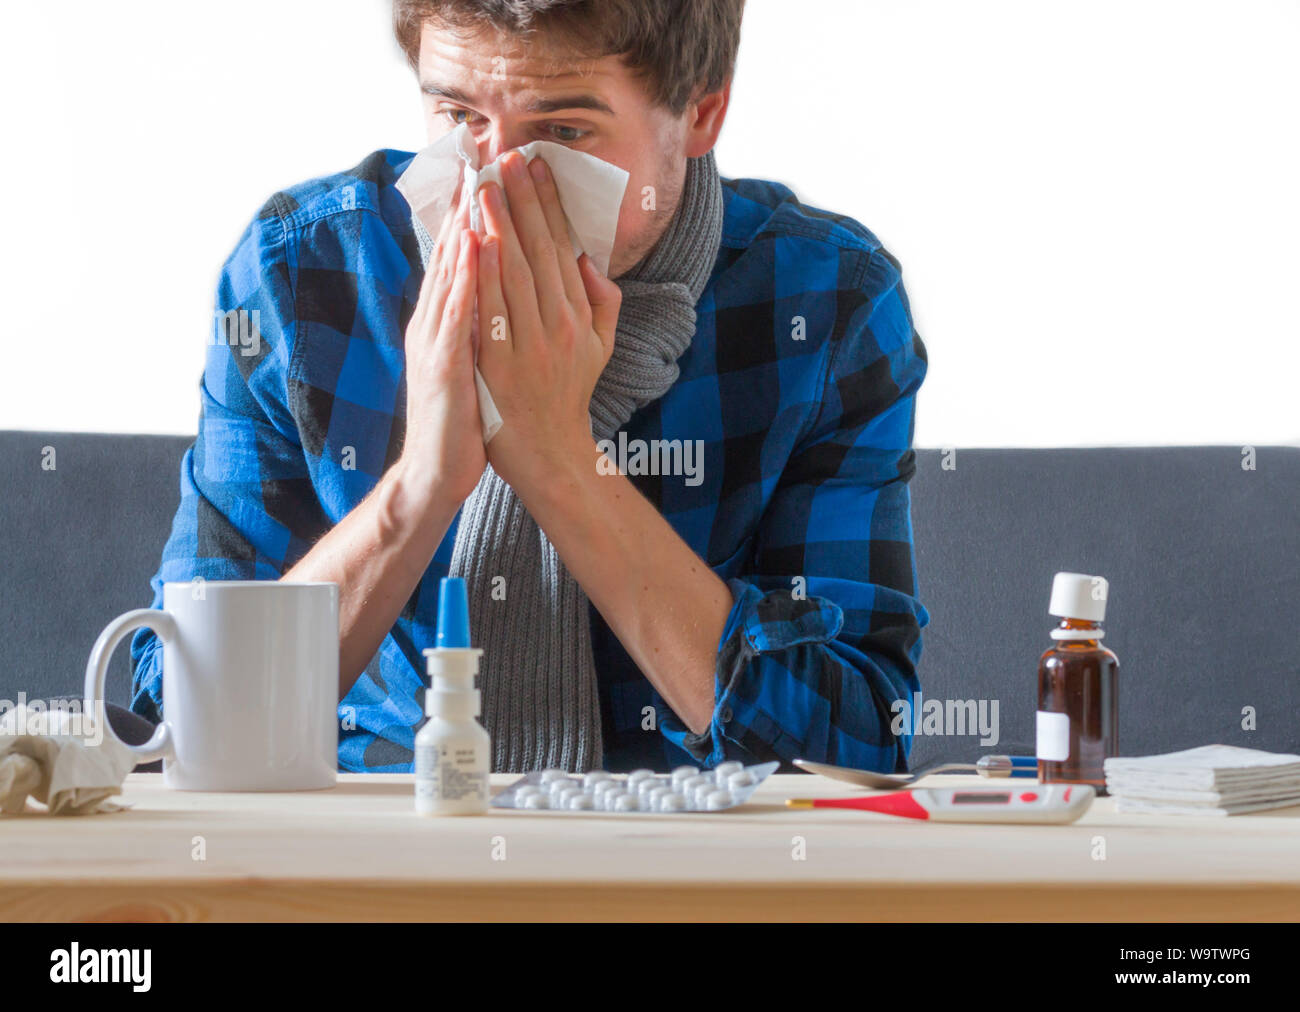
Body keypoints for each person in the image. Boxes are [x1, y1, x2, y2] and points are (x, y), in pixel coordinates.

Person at [131, 0, 930, 774]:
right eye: (458, 118)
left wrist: (560, 465)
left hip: (684, 879)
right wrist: (419, 489)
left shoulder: (827, 304)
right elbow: (169, 720)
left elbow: (858, 738)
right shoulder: (299, 278)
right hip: (359, 867)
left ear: (700, 114)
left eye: (563, 131)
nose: (489, 182)